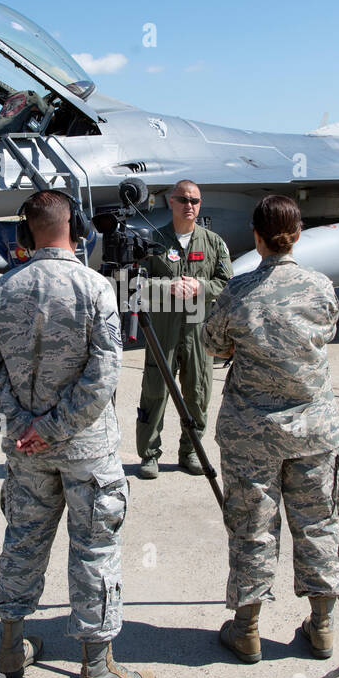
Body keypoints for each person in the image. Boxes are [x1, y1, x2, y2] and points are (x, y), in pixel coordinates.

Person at [0, 189, 156, 678]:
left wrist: (20, 425)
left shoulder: (2, 292)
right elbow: (103, 374)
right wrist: (55, 426)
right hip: (85, 449)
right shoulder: (94, 288)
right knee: (94, 548)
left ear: (25, 233)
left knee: (23, 539)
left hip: (26, 452)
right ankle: (96, 671)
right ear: (78, 228)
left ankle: (9, 648)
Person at [203, 194, 339, 663]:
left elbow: (212, 345)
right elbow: (326, 334)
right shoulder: (320, 286)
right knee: (317, 524)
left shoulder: (239, 292)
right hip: (312, 430)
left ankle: (246, 630)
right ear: (298, 234)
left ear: (257, 236)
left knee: (252, 527)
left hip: (251, 434)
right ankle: (321, 626)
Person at [135, 179, 232, 479]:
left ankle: (190, 451)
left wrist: (200, 286)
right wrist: (168, 287)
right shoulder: (153, 240)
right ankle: (149, 454)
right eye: (183, 200)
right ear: (172, 203)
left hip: (198, 330)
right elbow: (136, 283)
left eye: (195, 201)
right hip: (163, 328)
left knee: (198, 392)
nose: (189, 206)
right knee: (155, 391)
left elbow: (227, 282)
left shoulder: (213, 243)